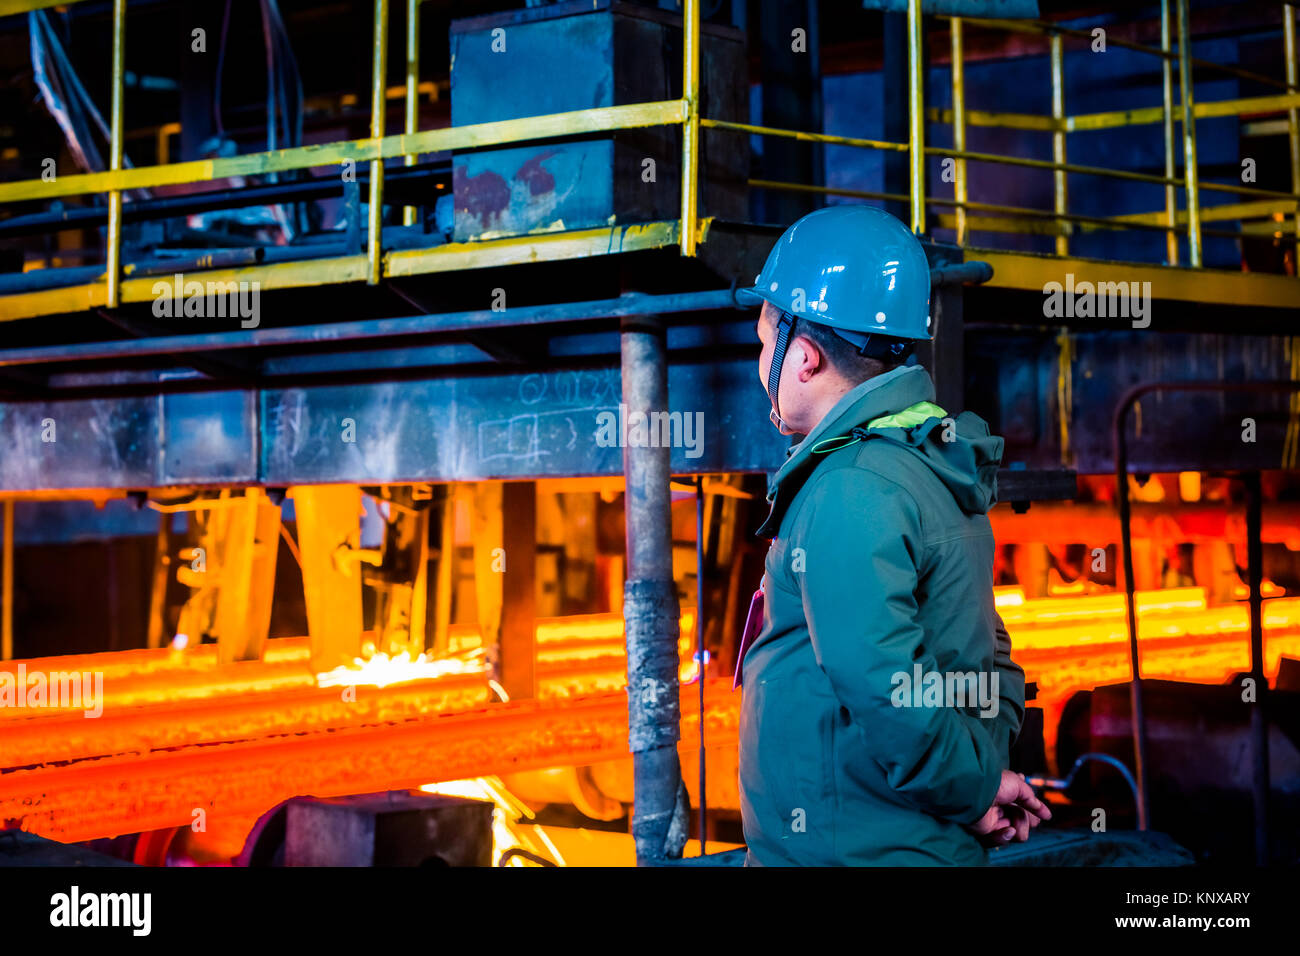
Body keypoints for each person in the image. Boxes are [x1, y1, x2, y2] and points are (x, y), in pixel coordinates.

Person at [735, 204, 1050, 865]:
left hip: (853, 852)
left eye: (765, 343)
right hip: (907, 840)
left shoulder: (850, 487)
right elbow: (988, 654)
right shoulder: (926, 461)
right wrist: (981, 779)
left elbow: (883, 683)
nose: (760, 362)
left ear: (804, 357)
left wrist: (973, 790)